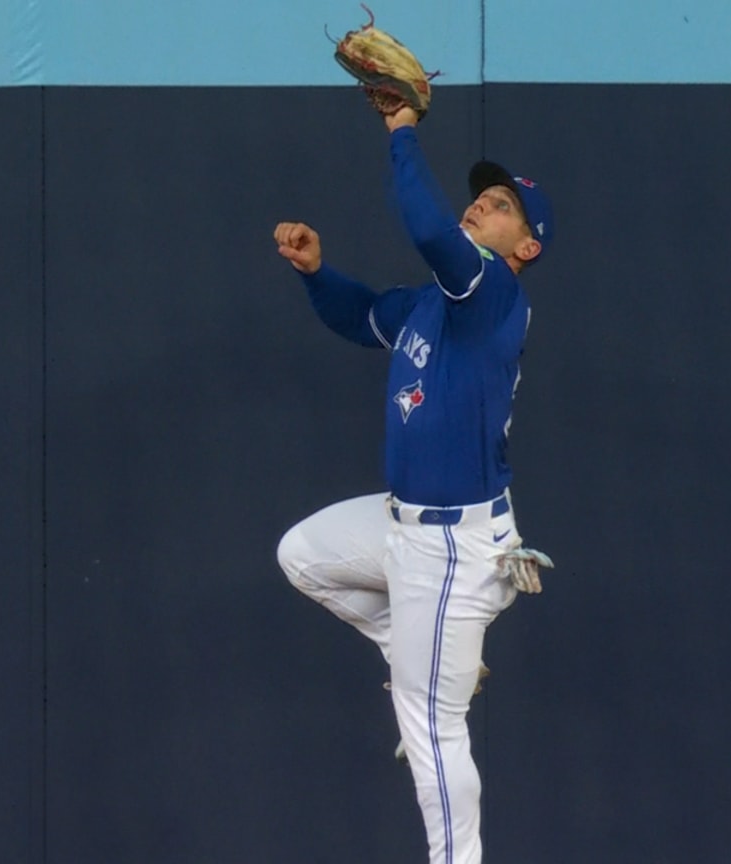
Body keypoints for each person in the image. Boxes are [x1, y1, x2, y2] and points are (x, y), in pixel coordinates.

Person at [271, 103, 555, 864]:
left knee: (431, 726)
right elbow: (363, 314)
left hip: (455, 548)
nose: (481, 205)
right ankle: (414, 652)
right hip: (405, 525)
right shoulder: (435, 303)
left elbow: (430, 230)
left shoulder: (492, 295)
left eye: (501, 207)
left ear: (526, 246)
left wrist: (400, 129)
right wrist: (316, 272)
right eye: (481, 197)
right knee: (302, 555)